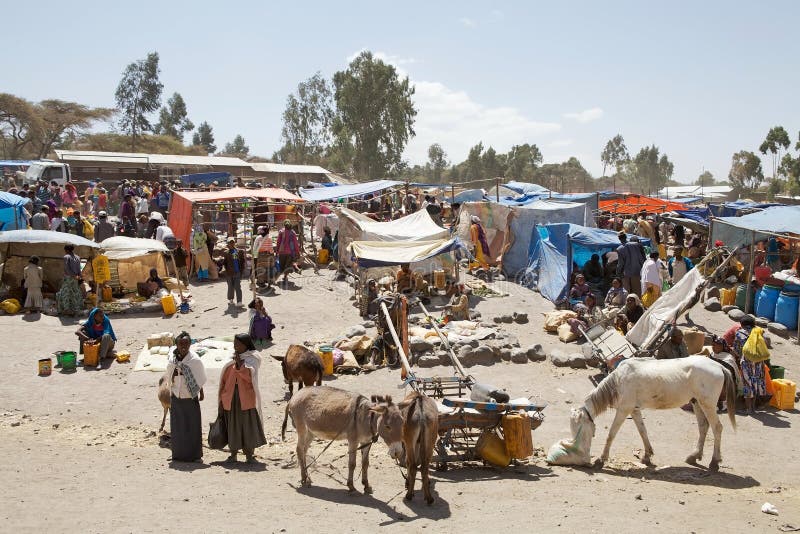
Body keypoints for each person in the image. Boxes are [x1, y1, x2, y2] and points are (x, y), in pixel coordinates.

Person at [218, 334, 266, 463]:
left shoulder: (253, 358)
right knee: (233, 425)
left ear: (246, 345)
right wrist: (222, 396)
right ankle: (233, 454)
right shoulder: (232, 358)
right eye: (234, 343)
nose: (235, 346)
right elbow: (224, 378)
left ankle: (249, 455)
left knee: (247, 425)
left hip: (246, 398)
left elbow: (251, 377)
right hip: (231, 397)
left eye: (238, 344)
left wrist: (240, 366)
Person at [166, 332, 207, 463]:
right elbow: (169, 372)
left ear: (190, 344)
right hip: (176, 395)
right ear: (176, 344)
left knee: (192, 425)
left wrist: (201, 392)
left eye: (186, 344)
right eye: (181, 344)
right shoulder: (173, 358)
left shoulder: (194, 360)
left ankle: (195, 455)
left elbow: (199, 376)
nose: (183, 346)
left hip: (189, 396)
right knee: (177, 426)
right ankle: (177, 454)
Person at [732, 315, 765, 414]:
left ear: (742, 324)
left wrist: (736, 357)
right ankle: (753, 408)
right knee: (755, 383)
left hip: (746, 362)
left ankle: (748, 409)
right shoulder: (758, 333)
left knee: (747, 384)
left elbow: (737, 350)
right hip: (759, 362)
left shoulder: (739, 333)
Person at [56, 244, 83, 315]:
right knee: (74, 293)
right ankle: (76, 309)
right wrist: (79, 276)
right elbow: (79, 269)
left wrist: (73, 276)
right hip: (76, 278)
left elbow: (67, 269)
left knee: (65, 293)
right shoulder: (77, 257)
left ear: (66, 250)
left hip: (69, 278)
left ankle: (66, 309)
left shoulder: (66, 257)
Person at [275, 219, 299, 285]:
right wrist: (297, 251)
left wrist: (277, 251)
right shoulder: (293, 232)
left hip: (282, 252)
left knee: (282, 265)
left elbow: (278, 242)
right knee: (288, 265)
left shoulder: (281, 231)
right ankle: (285, 276)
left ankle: (282, 277)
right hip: (290, 252)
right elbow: (295, 243)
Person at [252, 226, 276, 292]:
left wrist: (254, 255)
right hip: (269, 255)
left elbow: (254, 247)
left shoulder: (258, 238)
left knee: (261, 269)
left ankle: (261, 283)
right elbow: (271, 248)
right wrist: (272, 255)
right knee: (268, 269)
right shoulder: (270, 238)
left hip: (261, 256)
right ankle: (268, 282)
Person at [222, 238, 245, 306]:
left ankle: (239, 302)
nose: (231, 244)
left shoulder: (239, 252)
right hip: (229, 273)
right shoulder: (226, 253)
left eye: (232, 242)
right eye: (230, 243)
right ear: (228, 244)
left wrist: (241, 271)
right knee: (230, 287)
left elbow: (242, 262)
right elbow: (224, 263)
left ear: (234, 243)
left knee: (238, 287)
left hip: (237, 272)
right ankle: (231, 300)